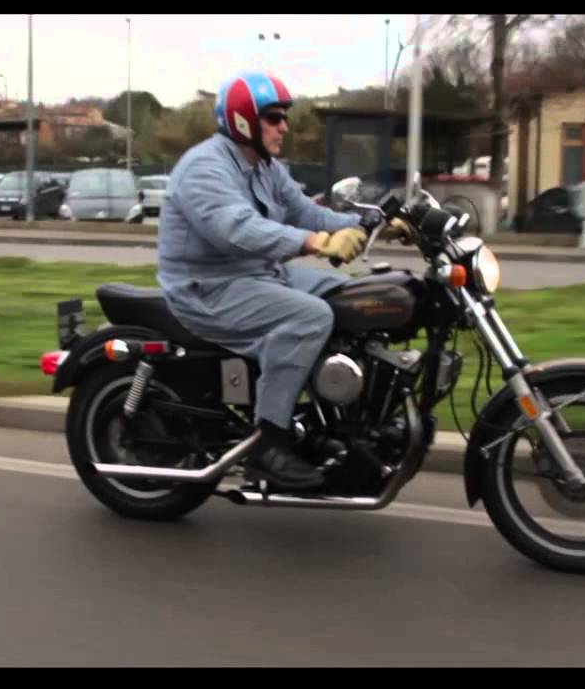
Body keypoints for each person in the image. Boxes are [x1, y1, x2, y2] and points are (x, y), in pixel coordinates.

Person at [156, 71, 413, 491]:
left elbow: (310, 214)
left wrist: (379, 226)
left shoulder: (266, 168)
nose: (284, 127)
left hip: (257, 276)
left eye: (284, 118)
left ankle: (341, 420)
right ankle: (269, 444)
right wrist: (318, 243)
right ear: (244, 121)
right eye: (275, 118)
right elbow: (237, 229)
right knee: (309, 317)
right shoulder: (204, 168)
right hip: (207, 288)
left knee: (354, 298)